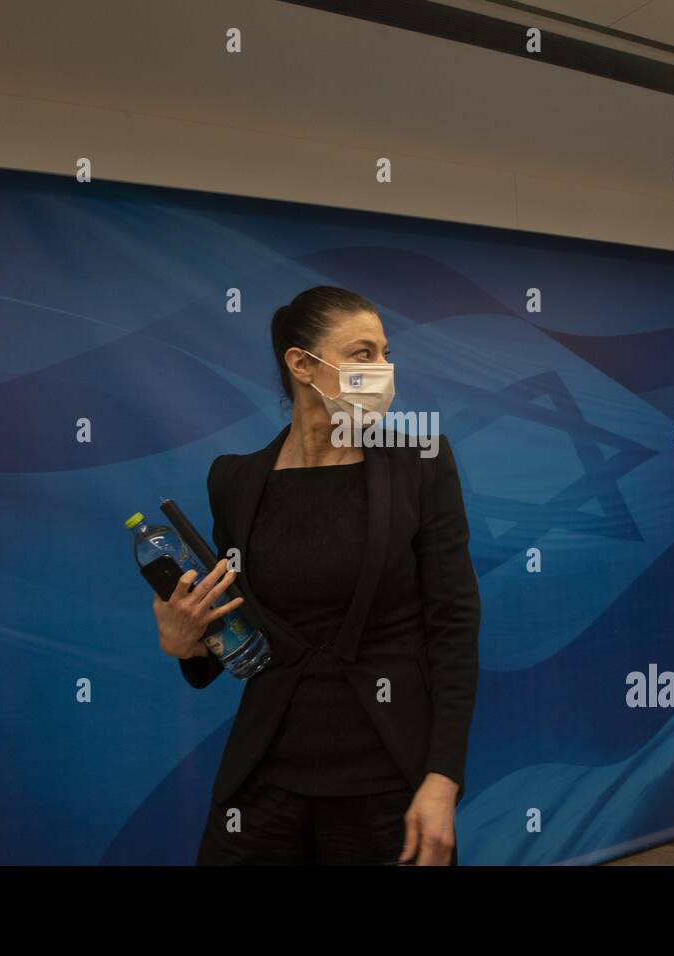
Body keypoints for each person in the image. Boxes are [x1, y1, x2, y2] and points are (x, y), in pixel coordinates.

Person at [153, 286, 480, 865]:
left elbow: (453, 626)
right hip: (268, 775)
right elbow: (234, 627)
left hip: (388, 781)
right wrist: (187, 645)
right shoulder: (234, 481)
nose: (382, 370)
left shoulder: (422, 465)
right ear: (302, 365)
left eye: (385, 353)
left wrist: (443, 776)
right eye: (362, 354)